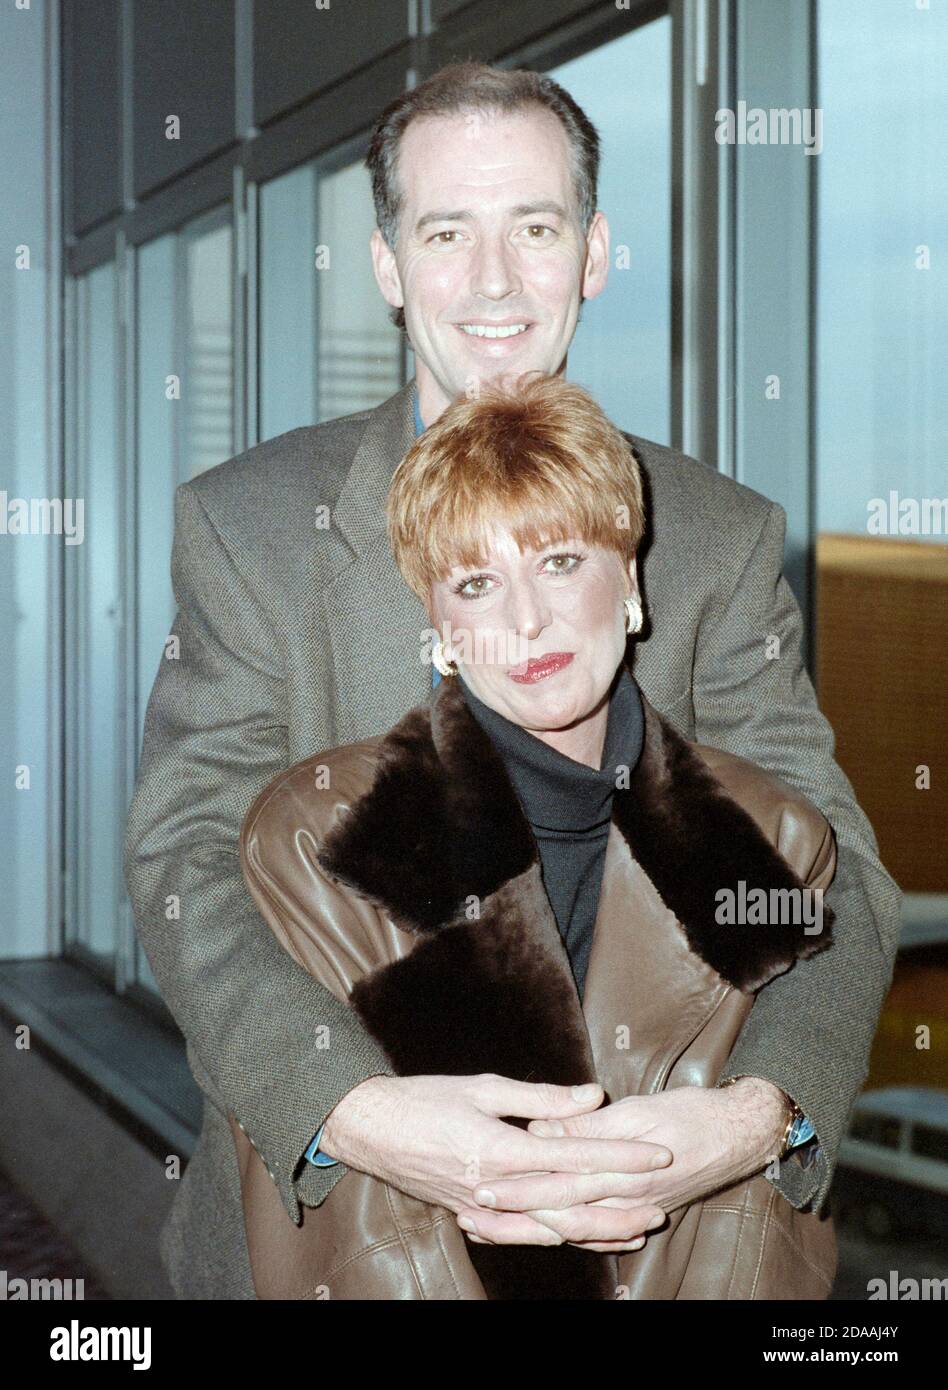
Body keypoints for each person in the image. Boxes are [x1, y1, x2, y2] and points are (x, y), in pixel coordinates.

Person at [123, 61, 900, 1300]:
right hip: (338, 1240)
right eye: (447, 233)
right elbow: (181, 864)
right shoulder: (253, 528)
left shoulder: (715, 535)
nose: (494, 284)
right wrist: (350, 1106)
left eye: (534, 229)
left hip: (659, 1243)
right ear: (387, 265)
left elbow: (838, 879)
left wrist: (763, 1113)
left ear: (592, 252)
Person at [233, 373, 840, 1300]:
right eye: (478, 583)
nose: (526, 622)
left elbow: (774, 1206)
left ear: (629, 580)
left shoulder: (776, 836)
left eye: (560, 561)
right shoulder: (314, 837)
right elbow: (343, 1222)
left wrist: (760, 1123)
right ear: (439, 629)